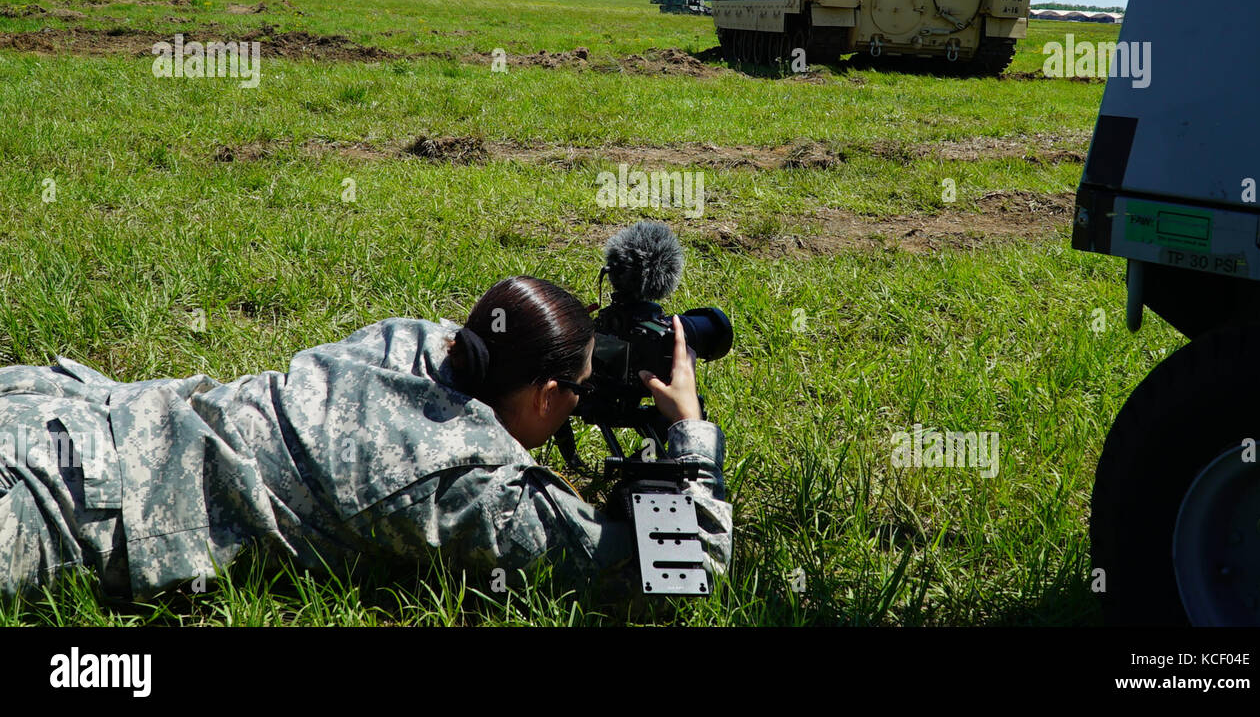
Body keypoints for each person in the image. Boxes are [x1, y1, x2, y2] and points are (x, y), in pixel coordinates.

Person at [0, 276, 732, 602]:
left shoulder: (412, 341)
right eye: (572, 395)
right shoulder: (467, 485)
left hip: (62, 407)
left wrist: (585, 357)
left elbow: (502, 350)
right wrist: (688, 434)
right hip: (67, 510)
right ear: (547, 396)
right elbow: (680, 572)